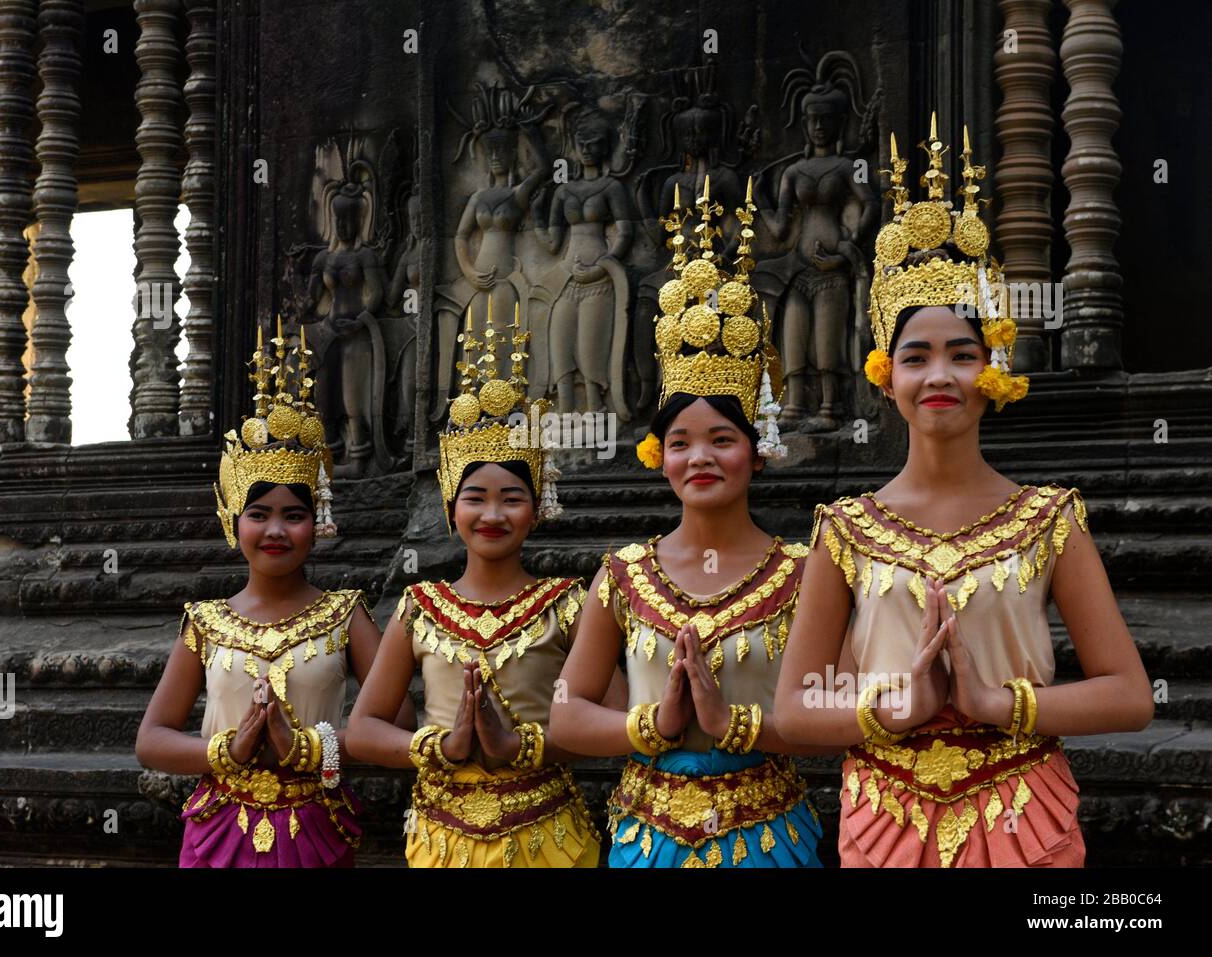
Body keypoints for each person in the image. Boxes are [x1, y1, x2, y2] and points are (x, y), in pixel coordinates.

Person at [774, 119, 1153, 867]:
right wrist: (894, 711)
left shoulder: (1050, 519)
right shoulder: (844, 531)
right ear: (888, 375)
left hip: (1023, 814)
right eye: (917, 356)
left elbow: (1130, 694)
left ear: (992, 369)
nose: (939, 375)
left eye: (962, 354)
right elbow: (792, 708)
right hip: (885, 822)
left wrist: (1000, 704)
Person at [550, 179, 832, 868]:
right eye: (680, 441)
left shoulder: (805, 571)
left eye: (722, 439)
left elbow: (839, 716)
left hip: (768, 833)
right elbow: (566, 714)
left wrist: (732, 725)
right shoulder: (621, 574)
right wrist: (653, 725)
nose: (699, 456)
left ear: (756, 450)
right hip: (649, 839)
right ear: (660, 456)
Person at [346, 305, 612, 867]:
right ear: (450, 506)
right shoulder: (420, 608)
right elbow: (363, 730)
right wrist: (438, 746)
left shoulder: (567, 603)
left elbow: (615, 721)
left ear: (538, 508)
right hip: (442, 842)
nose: (493, 514)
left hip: (548, 837)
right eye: (475, 498)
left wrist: (524, 746)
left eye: (512, 498)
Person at [136, 320, 410, 867]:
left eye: (294, 515)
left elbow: (398, 731)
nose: (276, 531)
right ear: (232, 520)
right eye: (258, 515)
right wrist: (226, 752)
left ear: (318, 521)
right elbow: (152, 739)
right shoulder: (207, 622)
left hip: (314, 824)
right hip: (219, 828)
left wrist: (311, 748)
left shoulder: (345, 616)